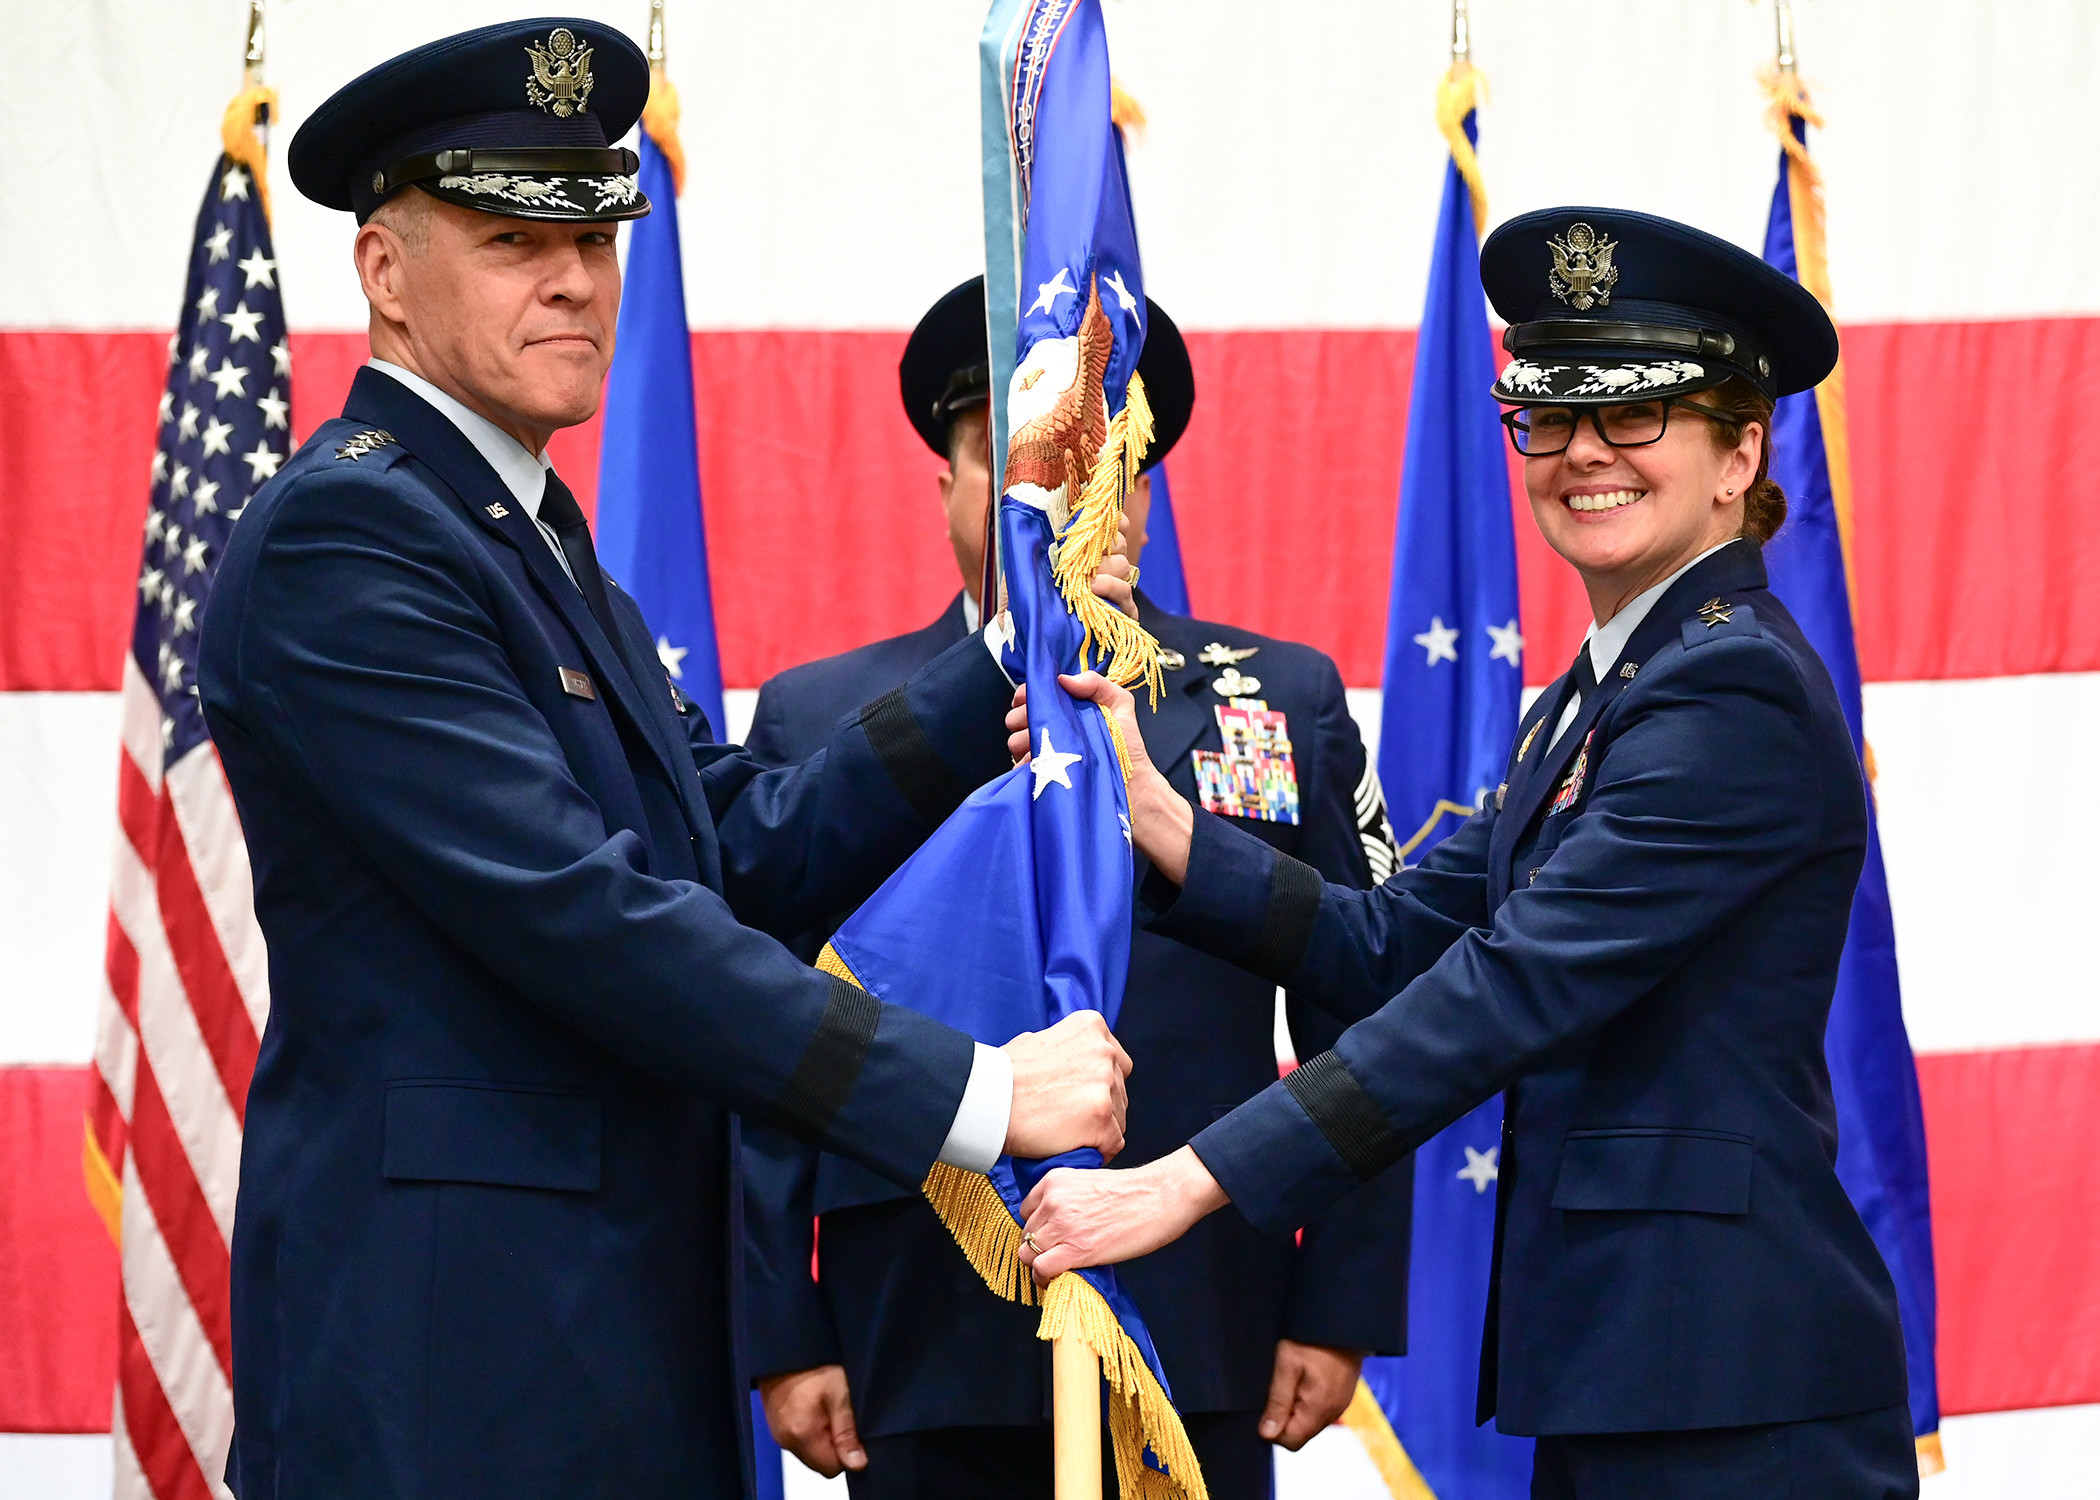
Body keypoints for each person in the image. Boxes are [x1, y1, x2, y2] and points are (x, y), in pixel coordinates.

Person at [197, 23, 1133, 1500]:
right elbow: (588, 913)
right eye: (514, 239)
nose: (575, 278)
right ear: (383, 271)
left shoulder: (524, 536)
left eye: (594, 233)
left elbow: (733, 848)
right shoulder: (350, 539)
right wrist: (975, 1095)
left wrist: (1002, 668)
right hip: (457, 1366)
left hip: (602, 1339)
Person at [1012, 209, 1919, 1498]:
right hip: (1637, 1372)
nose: (1582, 454)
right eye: (1548, 415)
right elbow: (1387, 943)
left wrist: (1186, 1182)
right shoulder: (1599, 696)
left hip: (1737, 1393)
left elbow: (1504, 988)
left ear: (1741, 454)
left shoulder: (1732, 698)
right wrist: (1167, 827)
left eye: (1633, 413)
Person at [742, 278, 1413, 1499]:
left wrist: (1342, 1295)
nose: (1071, 493)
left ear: (1142, 489)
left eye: (1108, 459)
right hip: (923, 1308)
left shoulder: (1282, 697)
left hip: (1201, 1305)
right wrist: (783, 1321)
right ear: (950, 484)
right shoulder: (827, 721)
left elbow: (1356, 1007)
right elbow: (761, 1033)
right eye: (1021, 462)